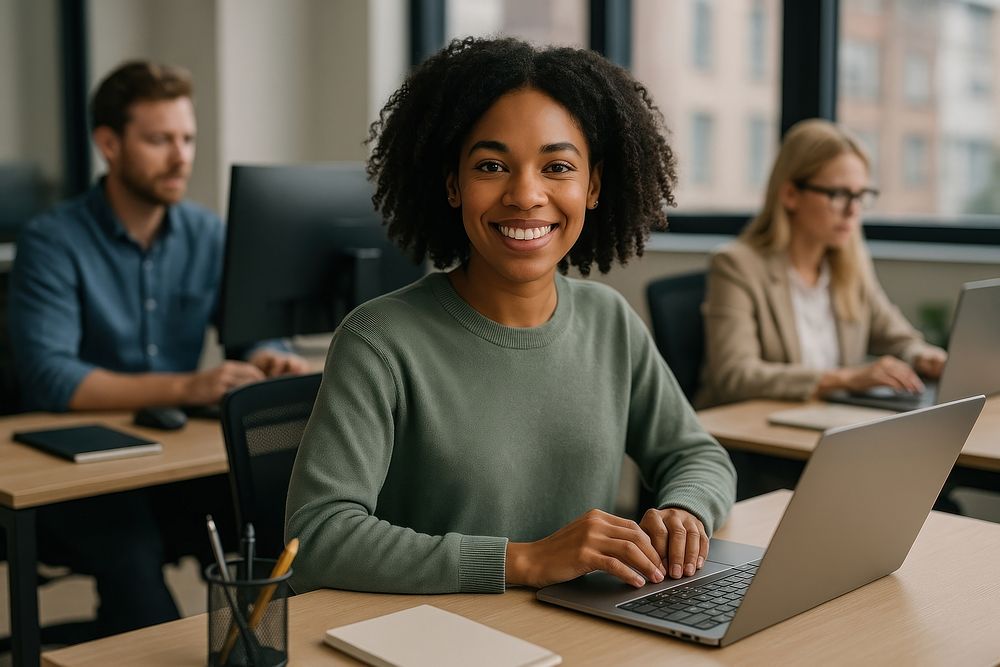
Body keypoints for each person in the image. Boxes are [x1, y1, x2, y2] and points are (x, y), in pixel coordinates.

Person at [285, 37, 736, 596]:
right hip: (429, 631)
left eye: (557, 167)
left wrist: (685, 512)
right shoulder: (379, 339)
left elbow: (695, 454)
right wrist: (522, 561)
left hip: (575, 629)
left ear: (593, 186)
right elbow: (317, 536)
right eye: (492, 166)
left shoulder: (609, 320)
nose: (526, 194)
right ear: (453, 184)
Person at [6, 61, 308, 638]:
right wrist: (187, 386)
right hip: (78, 472)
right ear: (109, 145)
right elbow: (52, 378)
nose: (180, 157)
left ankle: (267, 649)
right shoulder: (53, 241)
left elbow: (249, 331)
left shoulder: (206, 234)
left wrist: (267, 355)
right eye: (159, 140)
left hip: (168, 459)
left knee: (278, 521)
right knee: (133, 563)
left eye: (187, 139)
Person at [695, 119, 946, 409]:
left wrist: (921, 356)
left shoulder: (850, 263)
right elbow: (735, 375)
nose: (853, 210)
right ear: (791, 195)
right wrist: (844, 379)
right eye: (838, 195)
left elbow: (897, 337)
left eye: (861, 196)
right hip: (750, 428)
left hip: (829, 420)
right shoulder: (736, 265)